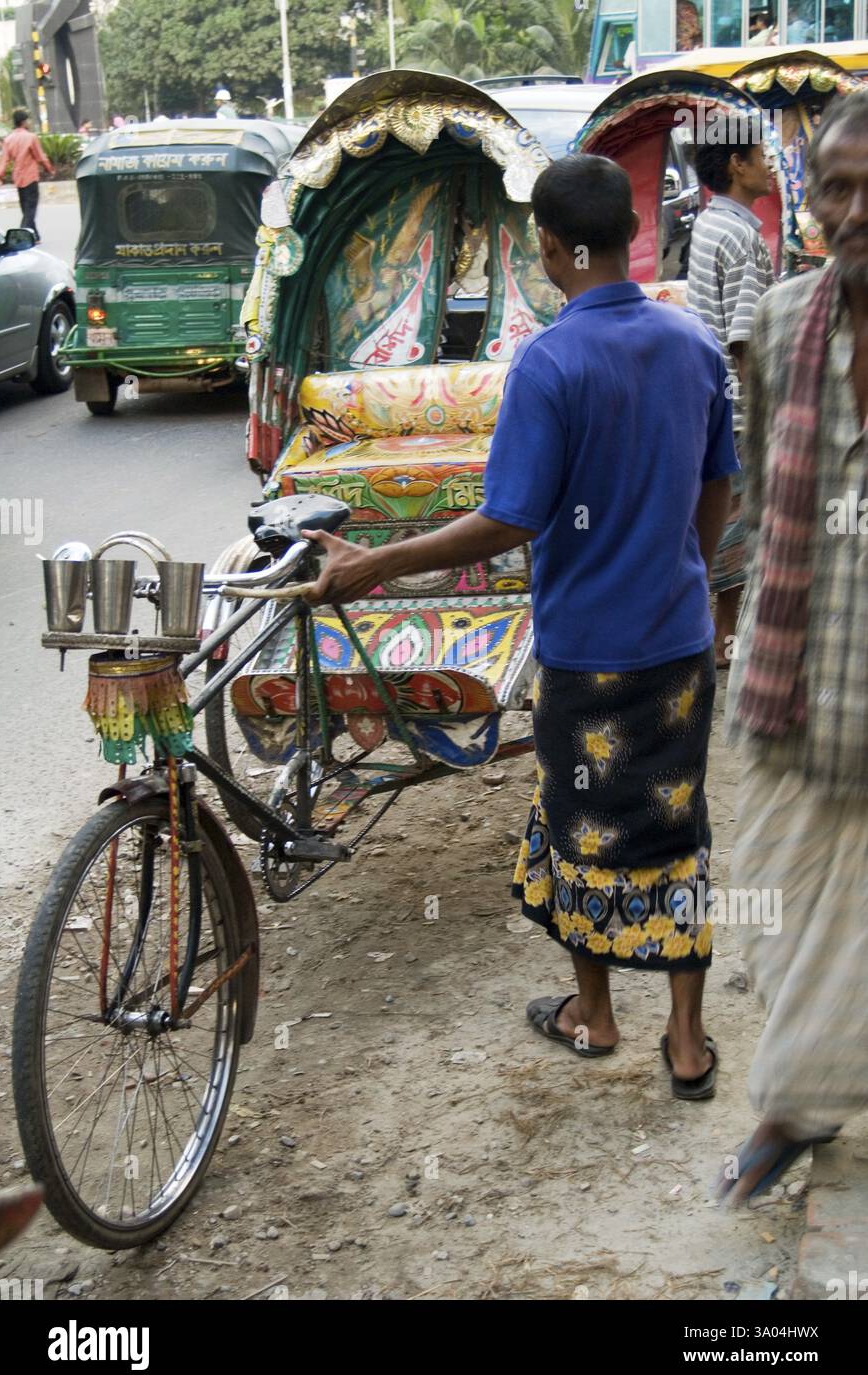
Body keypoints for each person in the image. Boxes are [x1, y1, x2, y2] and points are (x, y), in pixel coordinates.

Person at [303, 154, 739, 1098]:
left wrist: (375, 562)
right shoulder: (693, 346)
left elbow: (510, 520)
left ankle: (594, 1016)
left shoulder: (551, 362)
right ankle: (690, 1042)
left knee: (584, 827)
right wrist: (692, 572)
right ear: (632, 234)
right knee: (676, 828)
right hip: (678, 645)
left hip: (588, 652)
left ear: (547, 246)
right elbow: (719, 484)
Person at [721, 90, 868, 1202]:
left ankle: (794, 1104)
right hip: (793, 695)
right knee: (770, 917)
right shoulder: (778, 321)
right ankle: (804, 1094)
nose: (852, 209)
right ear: (809, 202)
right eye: (835, 188)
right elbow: (774, 495)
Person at [687, 118, 774, 668]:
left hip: (713, 400)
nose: (771, 163)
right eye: (762, 153)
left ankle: (718, 635)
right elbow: (746, 338)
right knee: (741, 526)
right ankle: (724, 639)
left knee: (725, 519)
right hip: (740, 405)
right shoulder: (743, 236)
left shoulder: (709, 224)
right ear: (737, 164)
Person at [0, 107, 55, 245]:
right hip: (30, 177)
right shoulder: (30, 137)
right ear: (23, 122)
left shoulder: (9, 139)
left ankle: (35, 236)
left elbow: (4, 160)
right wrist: (50, 169)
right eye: (28, 119)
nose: (29, 122)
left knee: (25, 207)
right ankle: (21, 235)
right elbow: (40, 156)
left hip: (18, 178)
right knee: (30, 209)